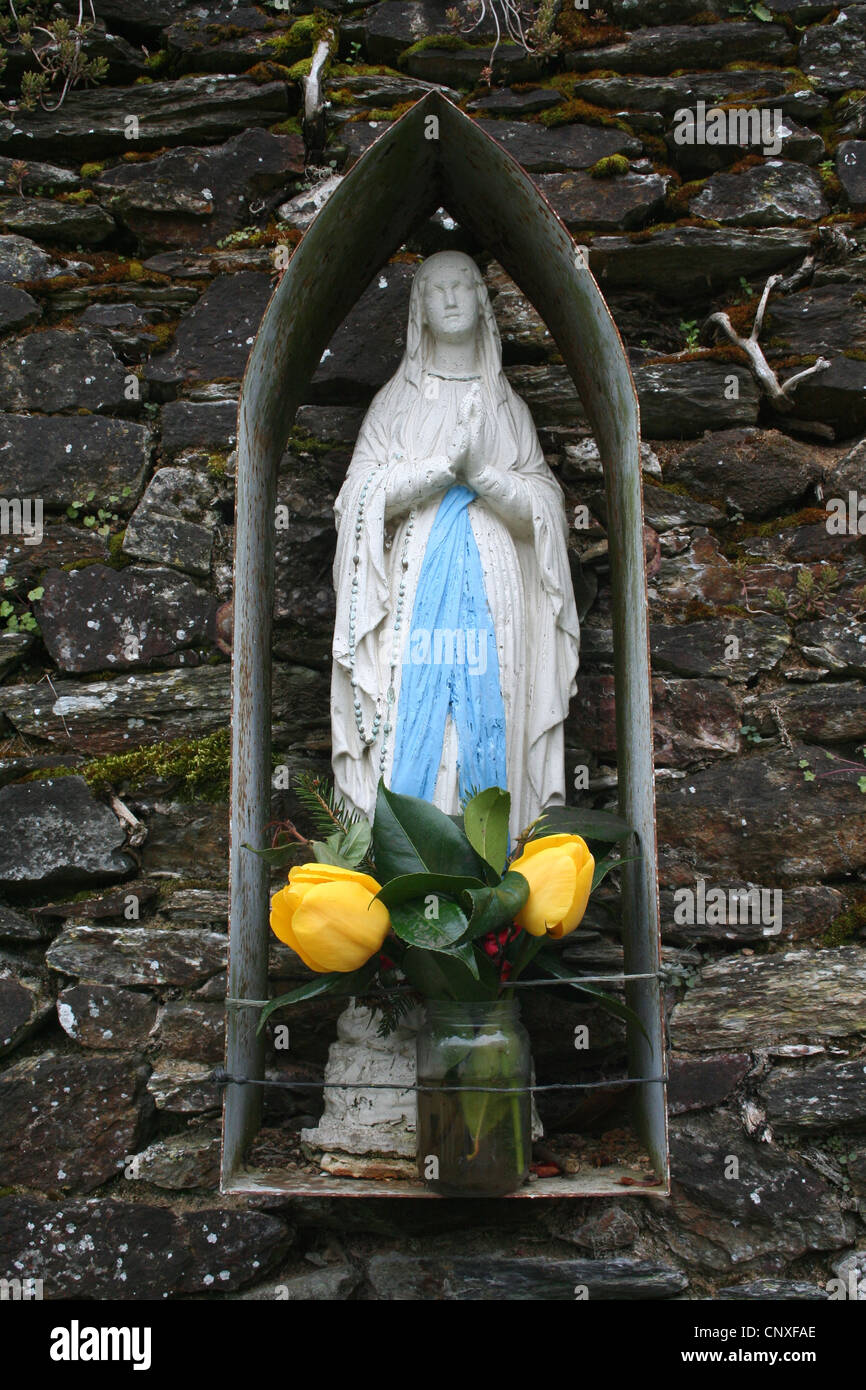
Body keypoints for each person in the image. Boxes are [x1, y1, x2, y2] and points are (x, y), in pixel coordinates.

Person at [331, 250, 580, 840]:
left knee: (491, 708)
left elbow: (545, 508)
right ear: (420, 307)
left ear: (480, 301)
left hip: (497, 596)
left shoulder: (507, 409)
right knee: (413, 716)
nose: (450, 299)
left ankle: (494, 862)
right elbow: (357, 498)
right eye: (437, 288)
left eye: (462, 286)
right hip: (414, 592)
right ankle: (406, 859)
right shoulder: (395, 404)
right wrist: (442, 470)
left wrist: (485, 476)